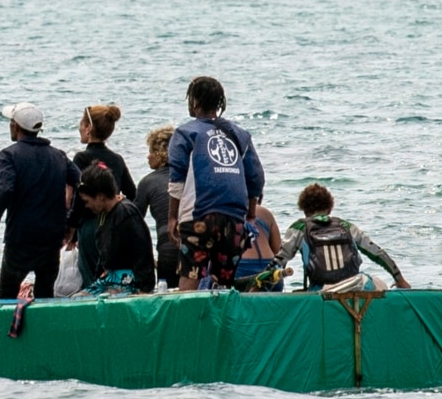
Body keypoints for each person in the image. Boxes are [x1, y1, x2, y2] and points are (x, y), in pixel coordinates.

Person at [167, 77, 265, 290]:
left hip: (199, 214)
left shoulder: (186, 133)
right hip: (234, 217)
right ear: (220, 103)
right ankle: (221, 321)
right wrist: (249, 215)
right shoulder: (240, 135)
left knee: (190, 274)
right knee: (224, 280)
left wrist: (173, 217)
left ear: (194, 101)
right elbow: (256, 178)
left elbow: (177, 180)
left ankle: (188, 320)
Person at [0, 102, 80, 300]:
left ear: (15, 127)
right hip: (52, 237)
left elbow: (5, 189)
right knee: (45, 296)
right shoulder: (58, 156)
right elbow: (82, 184)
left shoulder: (9, 155)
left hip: (20, 237)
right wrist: (71, 221)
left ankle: (7, 329)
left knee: (8, 296)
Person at [270, 183, 410, 291]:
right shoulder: (346, 226)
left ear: (304, 210)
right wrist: (400, 279)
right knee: (379, 283)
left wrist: (259, 284)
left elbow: (279, 261)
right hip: (356, 285)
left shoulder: (299, 228)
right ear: (330, 208)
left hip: (320, 290)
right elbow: (377, 253)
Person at [66, 104, 137, 285]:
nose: (79, 127)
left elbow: (78, 199)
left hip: (90, 226)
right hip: (113, 224)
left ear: (88, 128)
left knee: (91, 279)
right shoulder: (117, 159)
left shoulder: (81, 158)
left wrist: (71, 229)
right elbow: (132, 193)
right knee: (109, 275)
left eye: (81, 123)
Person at [76, 161, 155, 294]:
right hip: (110, 277)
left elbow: (142, 252)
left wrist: (144, 289)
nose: (86, 206)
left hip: (129, 279)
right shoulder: (103, 215)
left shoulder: (125, 213)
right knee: (77, 300)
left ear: (100, 196)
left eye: (87, 201)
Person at [134, 125, 177, 285]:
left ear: (160, 155)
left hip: (167, 248)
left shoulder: (148, 182)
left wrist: (147, 257)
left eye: (151, 151)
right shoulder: (190, 177)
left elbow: (135, 221)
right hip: (194, 248)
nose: (148, 156)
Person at [234, 202, 283, 291]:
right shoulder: (266, 213)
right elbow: (279, 251)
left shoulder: (225, 211)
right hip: (271, 271)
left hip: (241, 270)